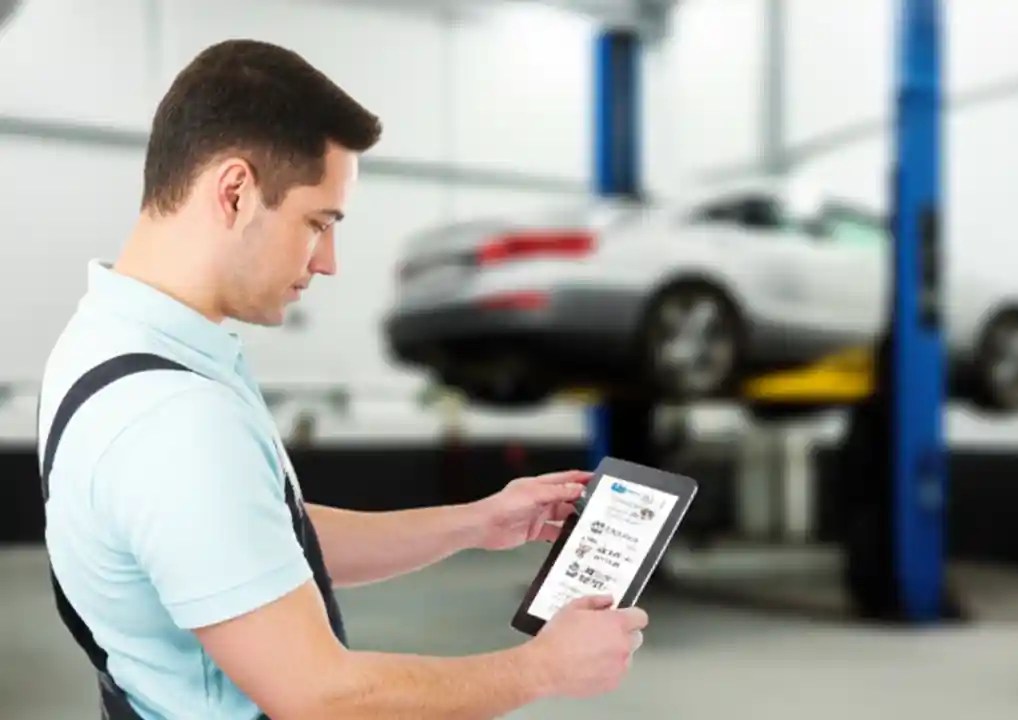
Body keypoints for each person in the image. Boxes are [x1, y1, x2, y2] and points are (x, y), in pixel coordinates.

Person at [37, 38, 647, 719]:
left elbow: (253, 542)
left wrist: (471, 524)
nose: (327, 261)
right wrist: (544, 667)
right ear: (235, 191)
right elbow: (321, 696)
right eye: (317, 223)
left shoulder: (107, 337)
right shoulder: (173, 419)